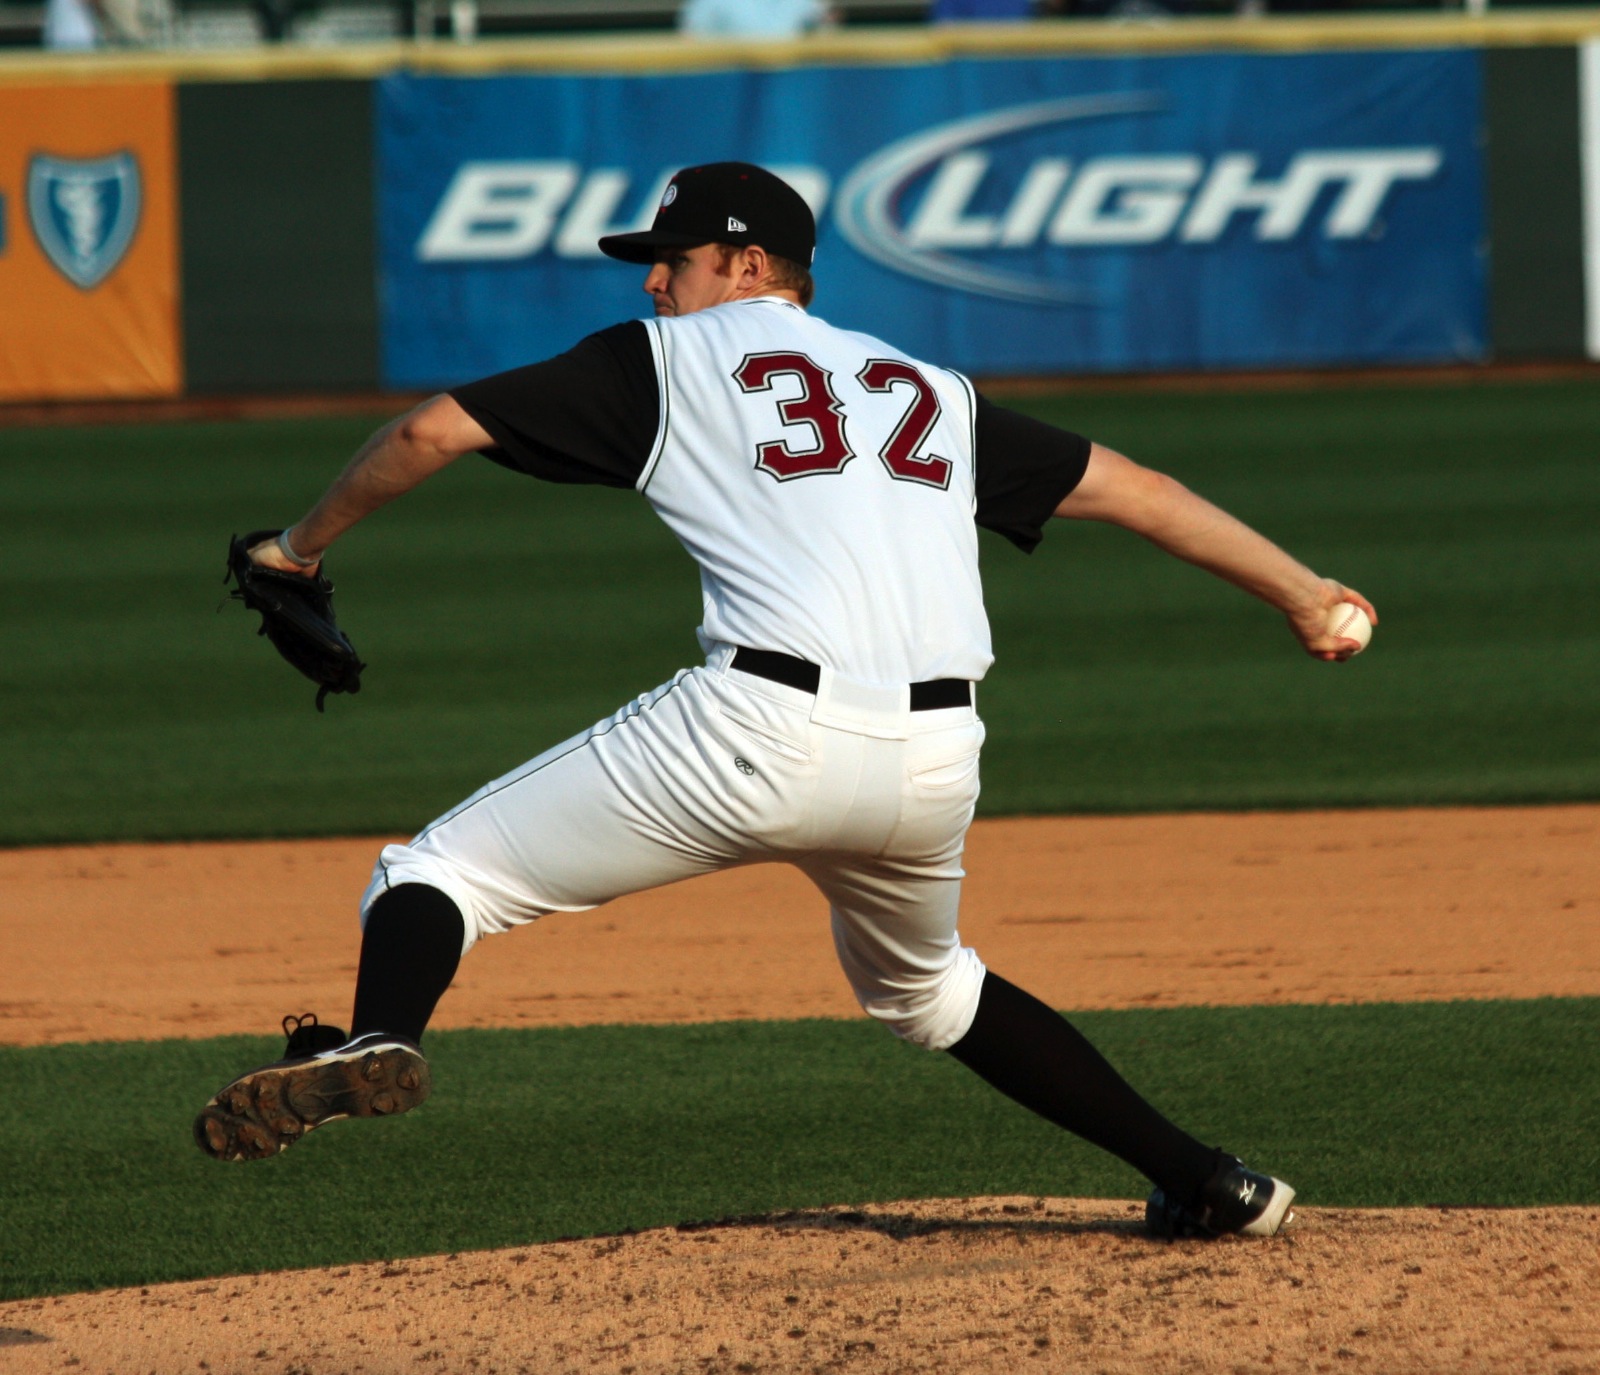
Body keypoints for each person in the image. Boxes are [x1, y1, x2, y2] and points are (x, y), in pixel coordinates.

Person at [194, 161, 1375, 1240]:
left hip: (755, 732)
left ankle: (380, 1037)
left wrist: (295, 550)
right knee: (932, 991)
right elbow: (1141, 489)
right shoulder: (930, 393)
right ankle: (1214, 1182)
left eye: (675, 257)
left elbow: (429, 429)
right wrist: (1307, 594)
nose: (653, 279)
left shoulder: (663, 360)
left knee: (434, 875)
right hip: (935, 759)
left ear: (748, 265)